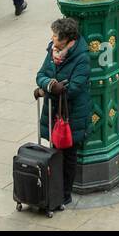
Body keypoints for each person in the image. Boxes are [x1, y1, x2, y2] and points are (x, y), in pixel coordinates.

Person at [34, 17, 91, 207]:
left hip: (72, 115)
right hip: (53, 112)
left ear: (66, 39)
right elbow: (41, 75)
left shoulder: (81, 57)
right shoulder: (52, 50)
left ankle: (65, 193)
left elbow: (74, 88)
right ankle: (54, 189)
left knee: (68, 155)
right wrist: (50, 85)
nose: (52, 38)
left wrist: (55, 88)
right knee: (55, 152)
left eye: (56, 36)